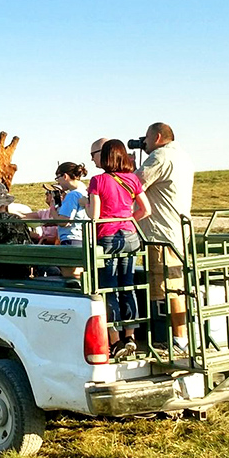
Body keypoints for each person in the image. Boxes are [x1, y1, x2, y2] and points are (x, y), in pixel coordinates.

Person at [87, 140, 151, 359]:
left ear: (105, 157)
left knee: (108, 288)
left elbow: (94, 216)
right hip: (130, 235)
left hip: (108, 236)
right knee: (128, 285)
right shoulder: (132, 179)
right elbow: (147, 209)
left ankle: (115, 340)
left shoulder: (98, 180)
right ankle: (131, 335)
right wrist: (130, 219)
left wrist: (86, 206)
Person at [134, 122, 194, 353]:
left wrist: (126, 169)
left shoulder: (160, 157)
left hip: (160, 234)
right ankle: (179, 336)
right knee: (175, 285)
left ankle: (178, 340)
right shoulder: (183, 156)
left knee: (168, 287)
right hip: (176, 230)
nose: (144, 143)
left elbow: (134, 185)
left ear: (158, 137)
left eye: (147, 139)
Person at [51, 162, 89, 279]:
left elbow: (64, 221)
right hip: (85, 240)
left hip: (71, 240)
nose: (58, 182)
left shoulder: (72, 195)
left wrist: (53, 210)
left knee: (71, 277)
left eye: (58, 178)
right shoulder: (85, 191)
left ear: (65, 176)